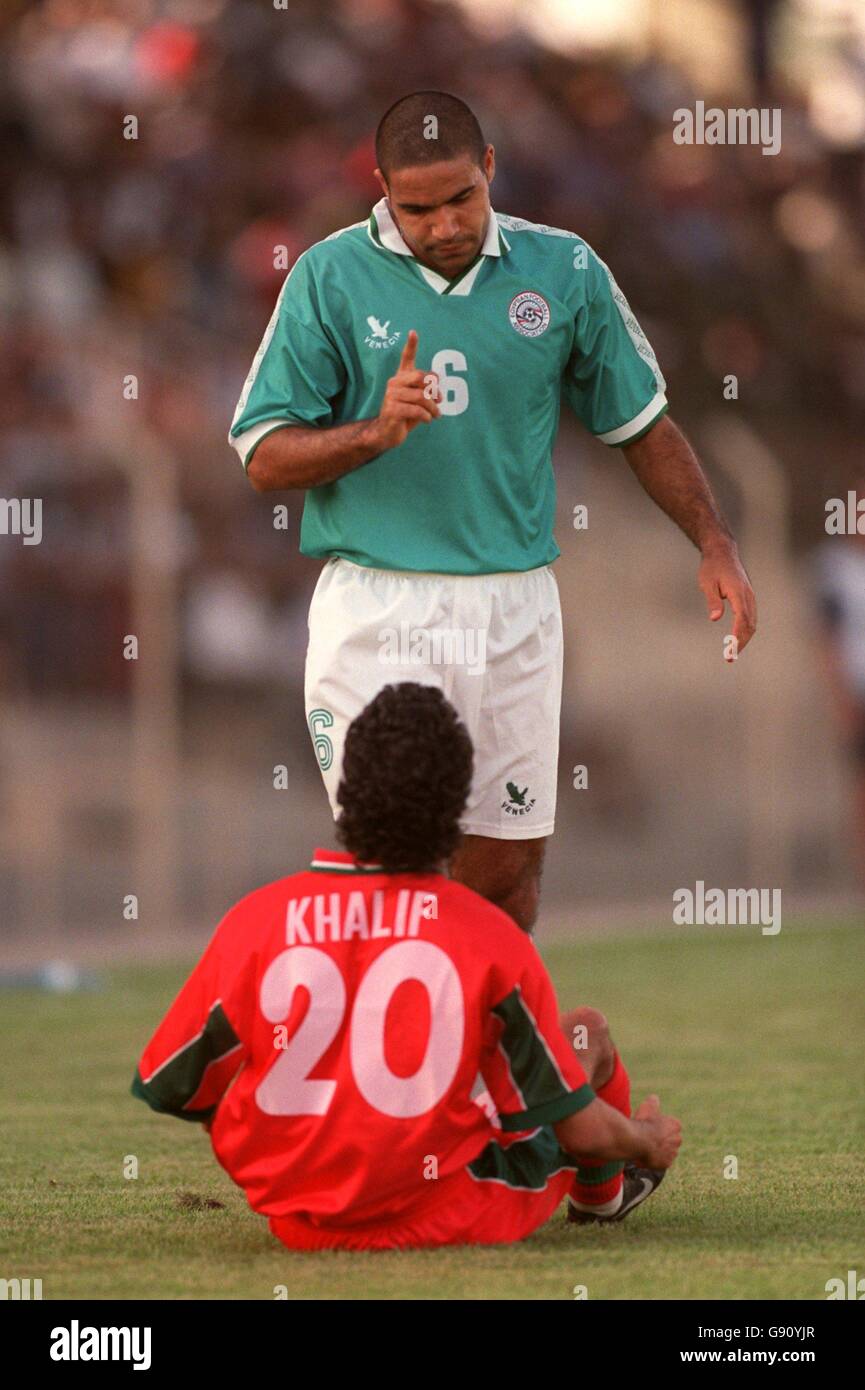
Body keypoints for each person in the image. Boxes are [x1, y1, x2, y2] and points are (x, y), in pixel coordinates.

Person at [227, 89, 757, 935]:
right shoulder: (328, 275)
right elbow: (262, 454)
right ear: (381, 188)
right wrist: (375, 430)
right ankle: (389, 1063)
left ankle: (480, 1066)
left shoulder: (565, 271)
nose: (441, 225)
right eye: (417, 208)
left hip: (513, 606)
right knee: (388, 861)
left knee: (504, 874)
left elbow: (641, 425)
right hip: (380, 602)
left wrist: (713, 540)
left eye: (460, 199)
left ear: (490, 171)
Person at [132, 683, 681, 1251]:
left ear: (348, 790)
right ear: (456, 806)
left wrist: (304, 1150)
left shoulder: (255, 920)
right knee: (587, 1030)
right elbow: (581, 1129)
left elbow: (181, 1087)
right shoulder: (490, 936)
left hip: (300, 1219)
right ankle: (603, 1199)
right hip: (445, 1210)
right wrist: (644, 1141)